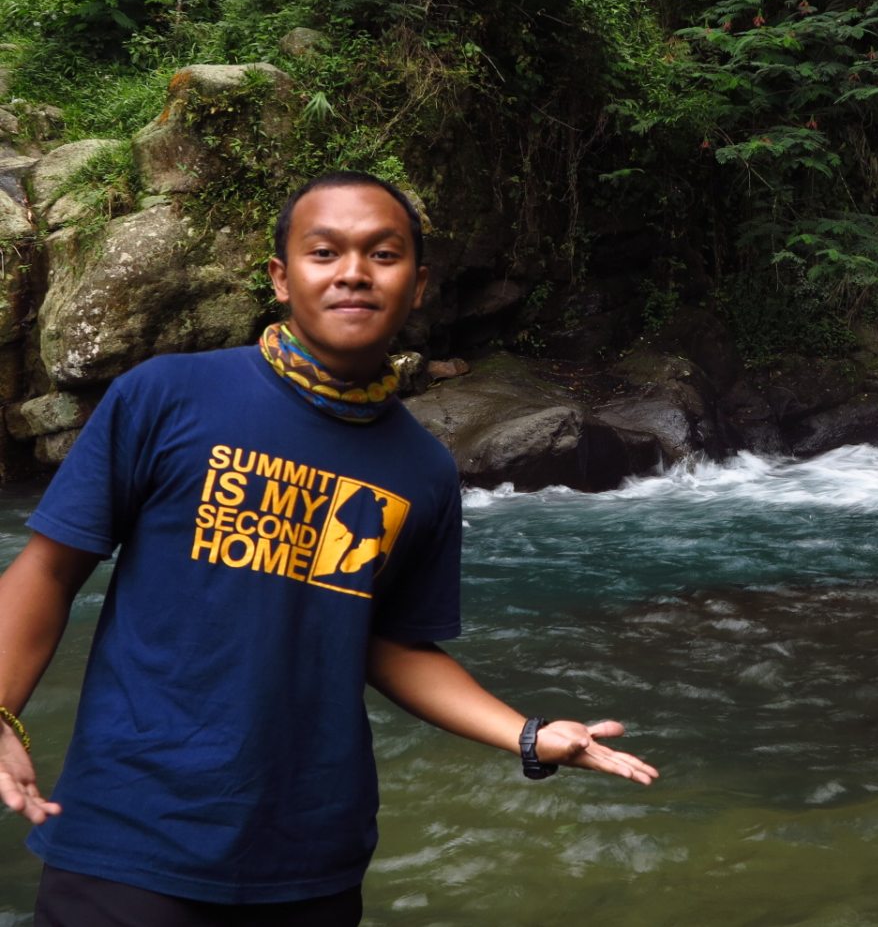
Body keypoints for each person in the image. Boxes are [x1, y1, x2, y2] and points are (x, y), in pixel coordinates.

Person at [0, 171, 657, 926]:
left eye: (383, 254)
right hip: (129, 842)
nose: (353, 272)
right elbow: (49, 568)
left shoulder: (422, 469)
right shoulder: (167, 396)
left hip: (310, 859)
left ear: (417, 285)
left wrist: (529, 733)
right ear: (282, 277)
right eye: (324, 252)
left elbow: (389, 643)